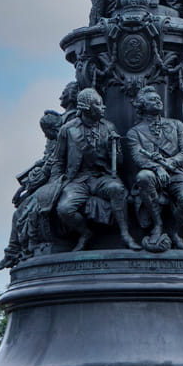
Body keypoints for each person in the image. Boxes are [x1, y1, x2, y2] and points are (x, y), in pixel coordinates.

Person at [55, 88, 140, 251]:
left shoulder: (109, 127)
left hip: (102, 177)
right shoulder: (68, 129)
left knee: (116, 189)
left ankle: (125, 234)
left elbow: (119, 162)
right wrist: (55, 183)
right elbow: (58, 160)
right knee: (64, 209)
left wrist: (114, 148)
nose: (103, 108)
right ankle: (85, 233)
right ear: (86, 107)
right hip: (78, 179)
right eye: (98, 104)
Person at [126, 85, 183, 250]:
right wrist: (157, 168)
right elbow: (138, 157)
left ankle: (172, 230)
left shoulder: (177, 125)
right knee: (143, 177)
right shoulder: (134, 132)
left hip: (177, 172)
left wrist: (170, 162)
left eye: (158, 98)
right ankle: (157, 224)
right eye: (152, 99)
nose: (158, 101)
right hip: (153, 173)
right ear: (143, 105)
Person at [0, 110, 64, 270]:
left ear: (53, 128)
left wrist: (27, 187)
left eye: (47, 132)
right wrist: (24, 187)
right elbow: (46, 163)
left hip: (60, 181)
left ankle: (28, 246)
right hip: (49, 181)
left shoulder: (66, 137)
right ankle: (12, 253)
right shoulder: (55, 139)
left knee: (31, 210)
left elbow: (49, 167)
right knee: (18, 213)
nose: (46, 136)